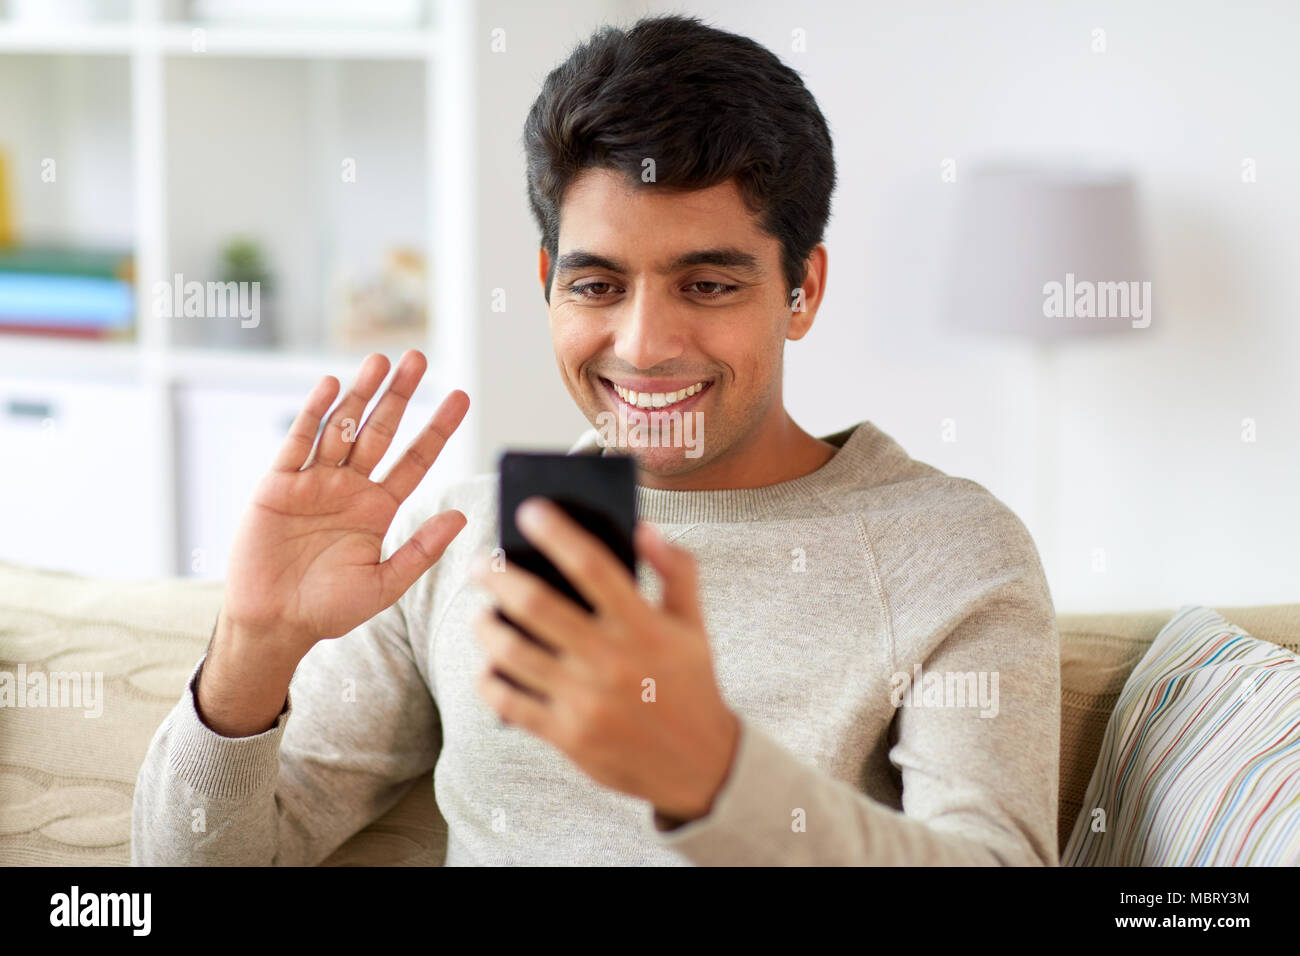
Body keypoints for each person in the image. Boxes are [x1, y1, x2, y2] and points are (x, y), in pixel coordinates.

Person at [132, 13, 1059, 866]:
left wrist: (714, 776)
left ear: (802, 289)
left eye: (707, 284)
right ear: (547, 281)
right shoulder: (454, 547)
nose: (644, 347)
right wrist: (252, 649)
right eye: (597, 286)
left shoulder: (949, 552)